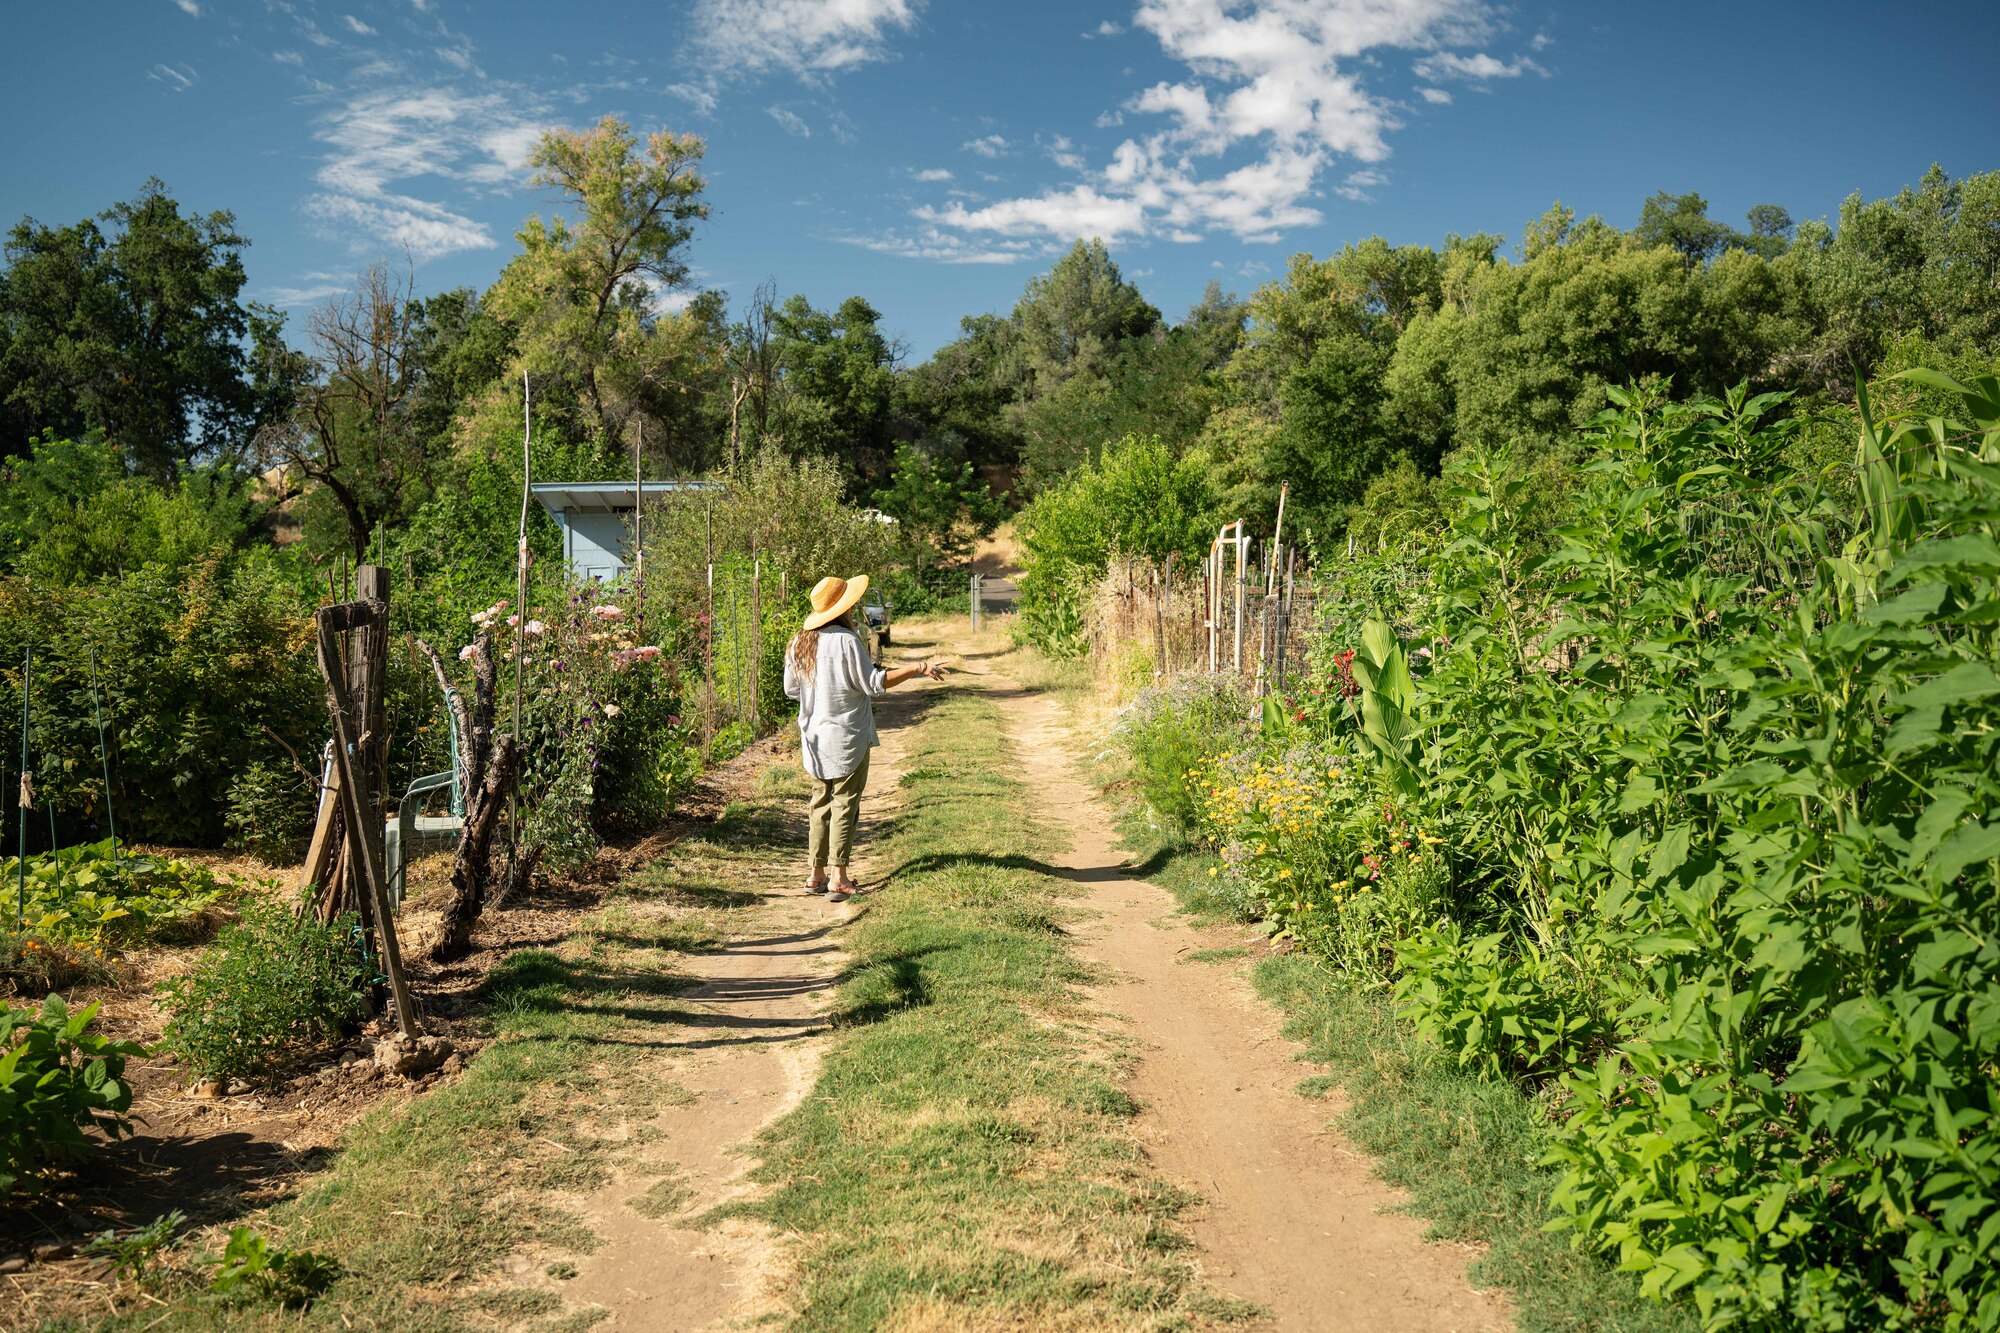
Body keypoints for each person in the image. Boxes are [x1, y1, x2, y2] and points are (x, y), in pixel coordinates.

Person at [784, 574, 946, 902]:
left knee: (819, 804)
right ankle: (839, 878)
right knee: (844, 805)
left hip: (814, 738)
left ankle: (816, 874)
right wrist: (918, 668)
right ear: (842, 608)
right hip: (846, 737)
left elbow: (791, 690)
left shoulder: (799, 641)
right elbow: (874, 683)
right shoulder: (846, 640)